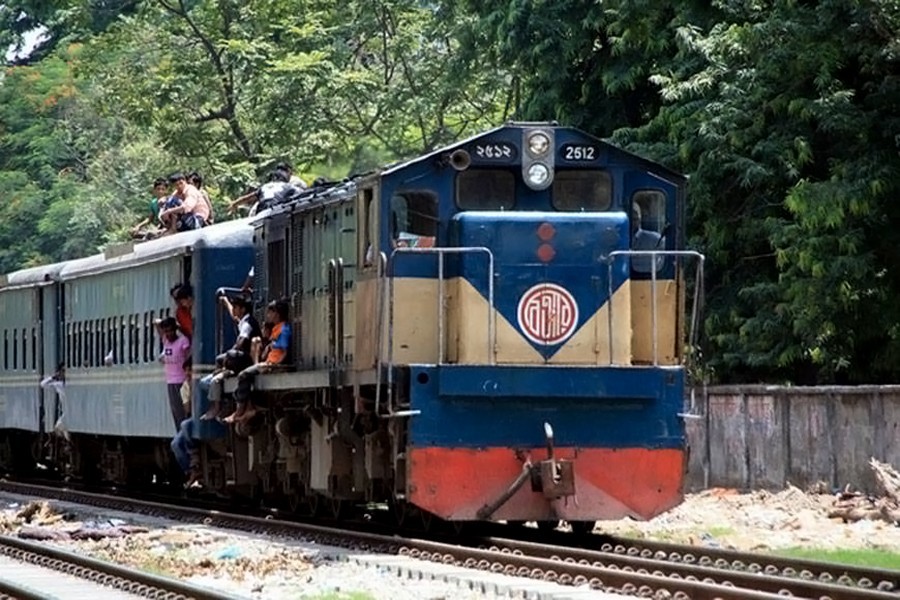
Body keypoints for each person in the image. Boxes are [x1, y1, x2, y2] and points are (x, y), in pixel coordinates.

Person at [224, 300, 292, 424]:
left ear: (276, 313)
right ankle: (249, 407)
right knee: (247, 375)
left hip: (273, 364)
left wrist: (275, 365)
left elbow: (284, 350)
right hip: (269, 362)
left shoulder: (284, 329)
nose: (267, 315)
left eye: (270, 312)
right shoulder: (276, 328)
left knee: (243, 375)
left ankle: (240, 410)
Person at [199, 295, 260, 420]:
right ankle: (221, 382)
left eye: (236, 307)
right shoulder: (242, 321)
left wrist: (229, 356)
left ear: (242, 309)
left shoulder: (248, 323)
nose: (234, 310)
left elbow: (242, 341)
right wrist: (226, 301)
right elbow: (233, 316)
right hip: (241, 359)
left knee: (229, 355)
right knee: (214, 367)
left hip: (248, 359)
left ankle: (217, 405)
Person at [157, 317, 191, 430]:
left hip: (181, 380)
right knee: (175, 411)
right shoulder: (165, 341)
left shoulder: (183, 341)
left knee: (184, 411)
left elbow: (188, 358)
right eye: (165, 331)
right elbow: (156, 323)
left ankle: (185, 435)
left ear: (175, 329)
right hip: (170, 381)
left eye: (170, 330)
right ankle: (180, 433)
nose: (168, 334)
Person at [631, 202, 664, 273]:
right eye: (630, 217)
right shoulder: (615, 240)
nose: (632, 221)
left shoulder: (655, 239)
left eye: (635, 218)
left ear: (640, 218)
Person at [40, 363, 68, 441]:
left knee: (60, 427)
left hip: (71, 412)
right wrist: (53, 377)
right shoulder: (58, 385)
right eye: (63, 371)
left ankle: (68, 443)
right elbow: (42, 384)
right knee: (58, 427)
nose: (64, 373)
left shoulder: (71, 384)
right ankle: (67, 443)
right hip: (66, 413)